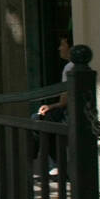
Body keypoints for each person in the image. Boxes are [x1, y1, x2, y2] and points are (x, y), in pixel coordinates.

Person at [32, 32, 73, 176]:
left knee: (37, 119)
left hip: (69, 114)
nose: (59, 48)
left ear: (70, 47)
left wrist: (50, 106)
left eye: (62, 44)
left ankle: (50, 164)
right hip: (74, 113)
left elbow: (64, 101)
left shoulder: (69, 67)